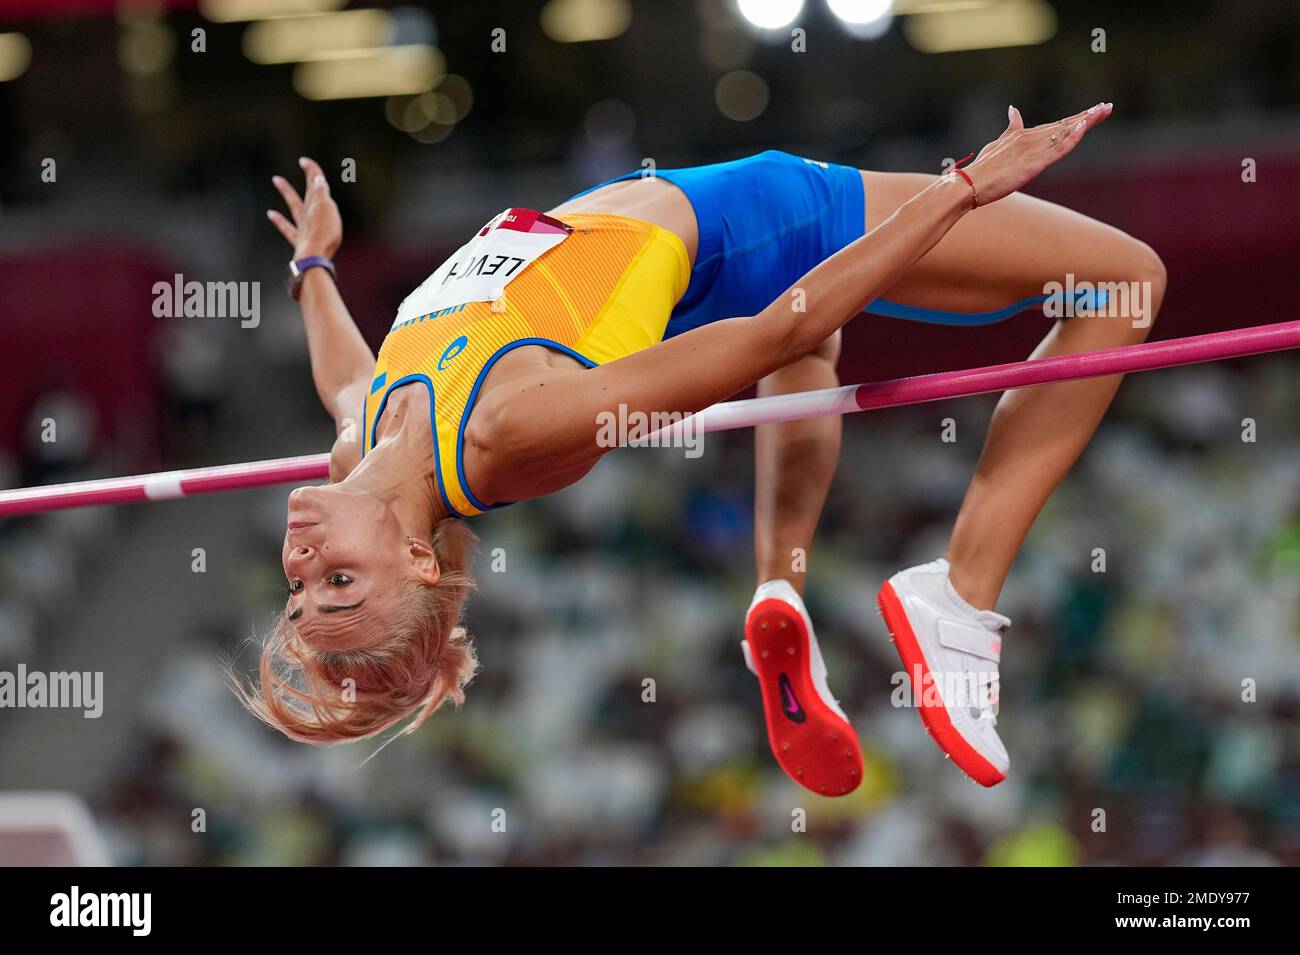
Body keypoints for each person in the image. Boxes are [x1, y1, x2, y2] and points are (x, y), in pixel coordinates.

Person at [240, 101, 1166, 793]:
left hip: (679, 274)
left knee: (811, 351)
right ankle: (960, 597)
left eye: (298, 585)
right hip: (751, 226)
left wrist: (313, 266)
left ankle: (779, 583)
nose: (304, 560)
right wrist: (962, 189)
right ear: (411, 556)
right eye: (338, 583)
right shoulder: (506, 432)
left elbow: (345, 374)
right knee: (1123, 283)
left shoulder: (365, 444)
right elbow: (767, 334)